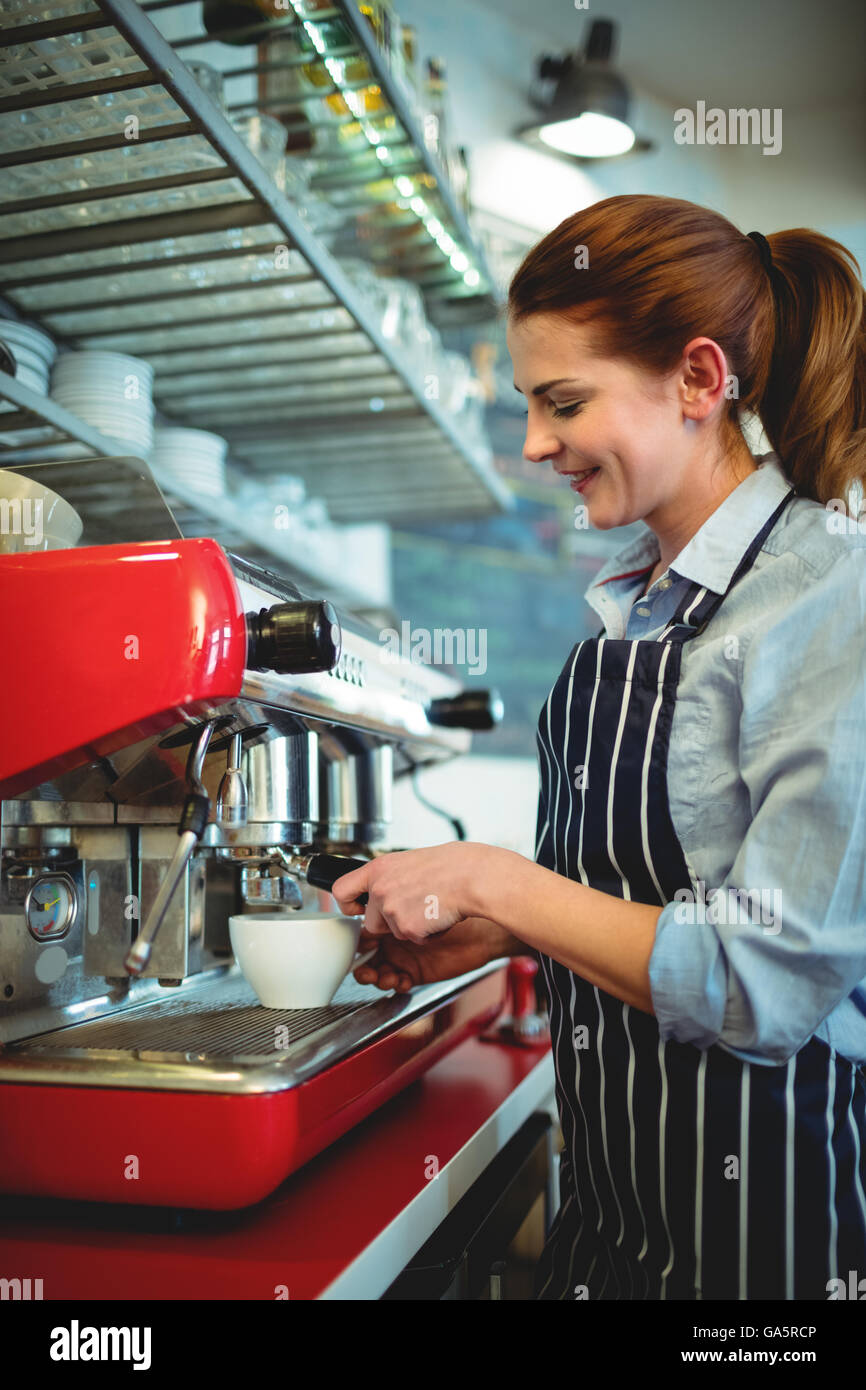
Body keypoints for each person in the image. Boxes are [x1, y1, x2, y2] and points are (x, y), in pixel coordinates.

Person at [331, 193, 866, 1301]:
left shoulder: (828, 596)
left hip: (762, 1254)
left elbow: (759, 978)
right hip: (612, 1225)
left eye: (561, 403)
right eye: (529, 404)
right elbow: (637, 902)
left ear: (697, 379)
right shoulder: (633, 609)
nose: (533, 445)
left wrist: (495, 879)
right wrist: (490, 932)